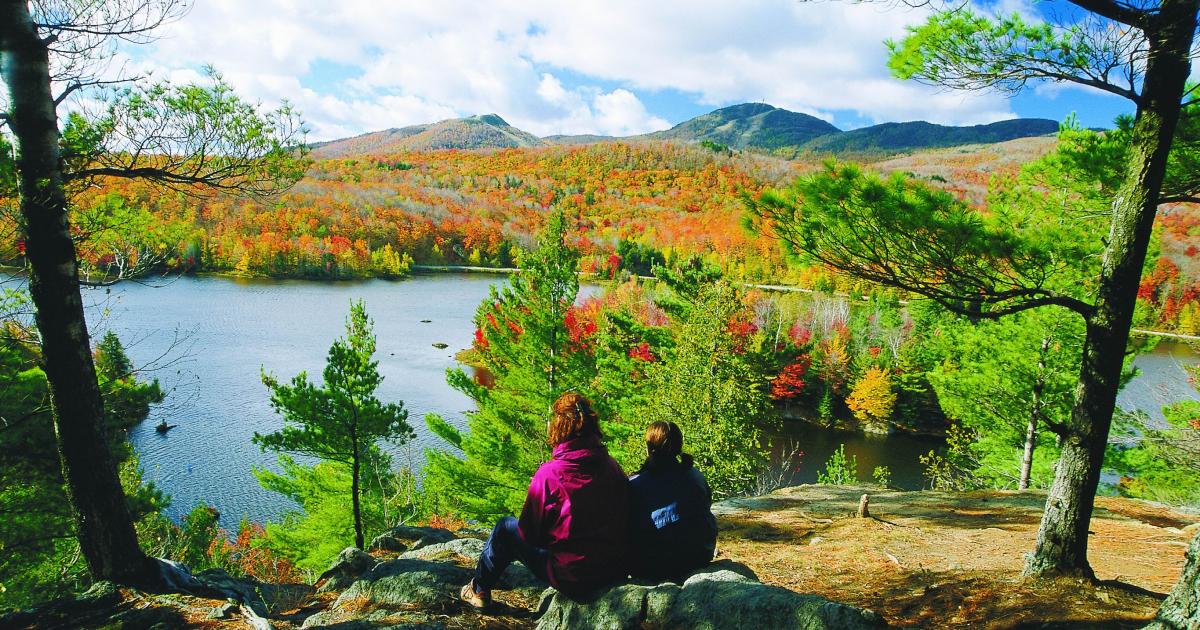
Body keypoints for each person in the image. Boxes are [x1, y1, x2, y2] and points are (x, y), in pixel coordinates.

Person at [460, 392, 629, 609]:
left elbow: (530, 534)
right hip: (612, 570)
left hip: (572, 576)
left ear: (559, 428)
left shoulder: (550, 474)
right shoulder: (612, 466)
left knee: (505, 527)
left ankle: (479, 589)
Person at [627, 421, 717, 581]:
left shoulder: (635, 484)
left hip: (655, 565)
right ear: (679, 445)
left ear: (648, 448)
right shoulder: (696, 476)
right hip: (698, 555)